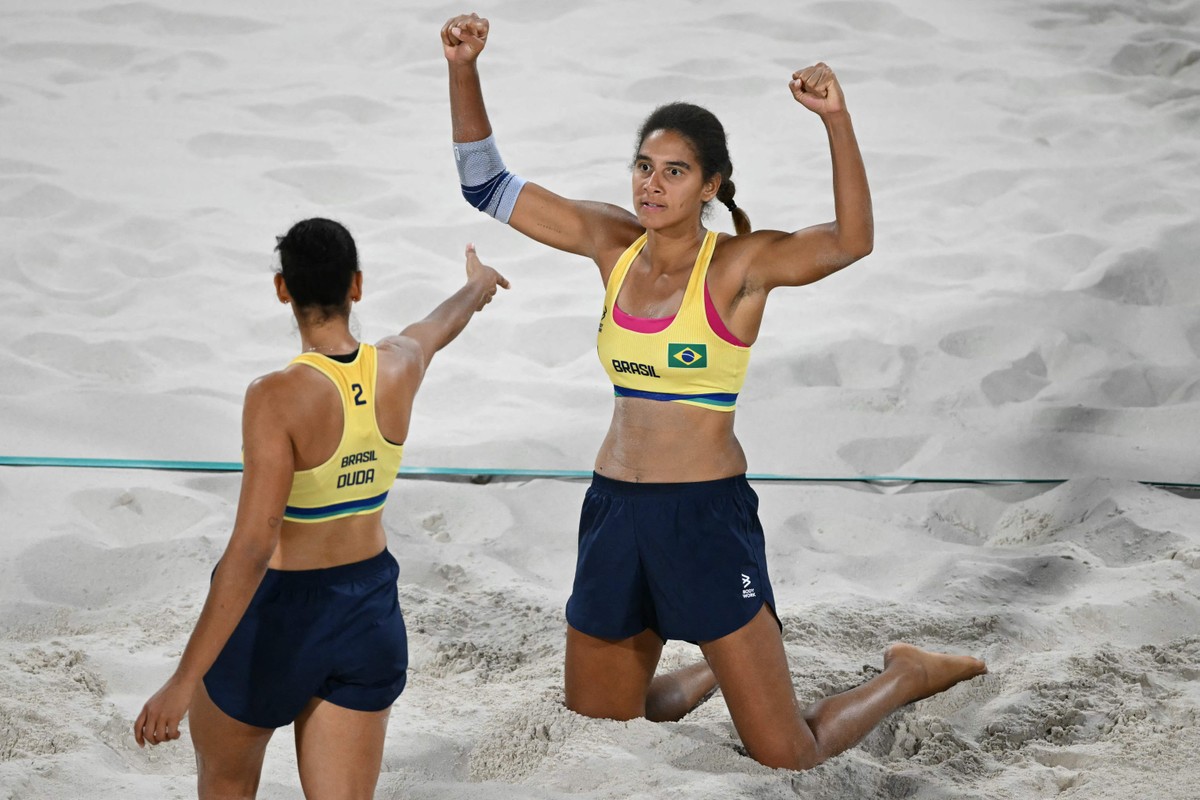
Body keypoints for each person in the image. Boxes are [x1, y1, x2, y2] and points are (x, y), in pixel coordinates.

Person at [440, 13, 987, 771]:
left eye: (673, 171)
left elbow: (852, 241)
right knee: (607, 718)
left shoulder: (738, 267)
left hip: (703, 520)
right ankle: (714, 668)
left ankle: (905, 673)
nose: (651, 184)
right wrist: (464, 68)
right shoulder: (610, 240)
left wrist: (836, 119)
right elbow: (485, 184)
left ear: (711, 185)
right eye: (642, 166)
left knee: (787, 752)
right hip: (612, 513)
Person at [133, 218, 509, 798]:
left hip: (278, 616)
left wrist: (182, 682)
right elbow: (441, 324)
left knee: (226, 780)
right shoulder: (400, 364)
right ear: (355, 286)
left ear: (283, 289)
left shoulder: (274, 396)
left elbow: (254, 547)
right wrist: (478, 284)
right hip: (367, 612)